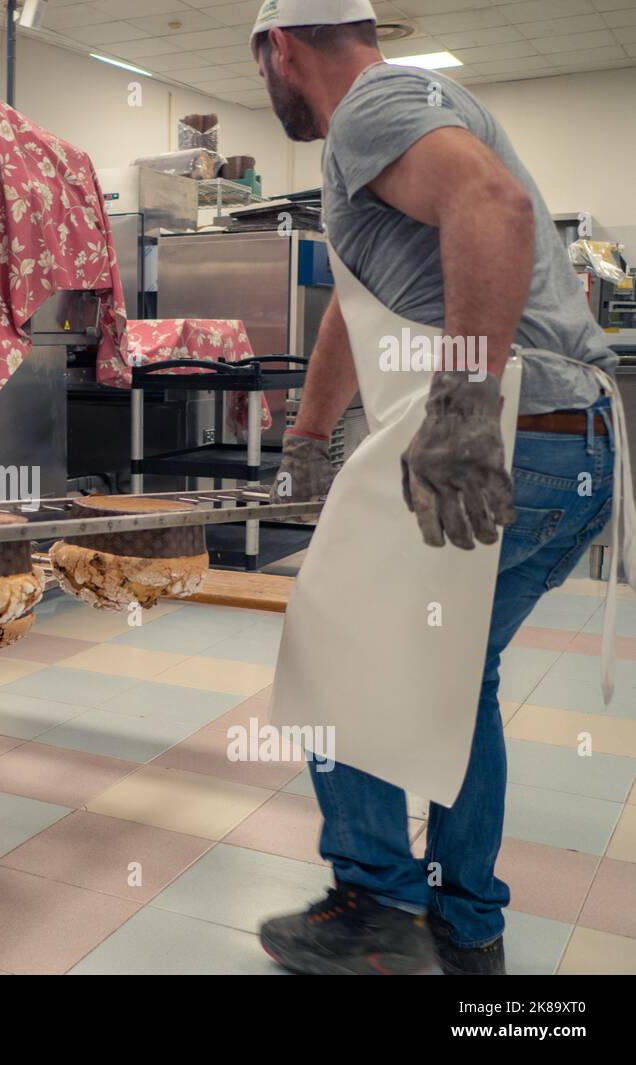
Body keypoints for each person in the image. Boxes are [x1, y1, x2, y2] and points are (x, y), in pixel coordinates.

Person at [251, 0, 618, 975]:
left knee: (338, 643)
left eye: (260, 69)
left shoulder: (374, 106)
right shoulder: (372, 148)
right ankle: (466, 927)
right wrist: (309, 436)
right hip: (564, 441)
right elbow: (350, 303)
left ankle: (375, 905)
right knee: (459, 674)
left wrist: (462, 403)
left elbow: (490, 207)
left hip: (510, 432)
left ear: (280, 49)